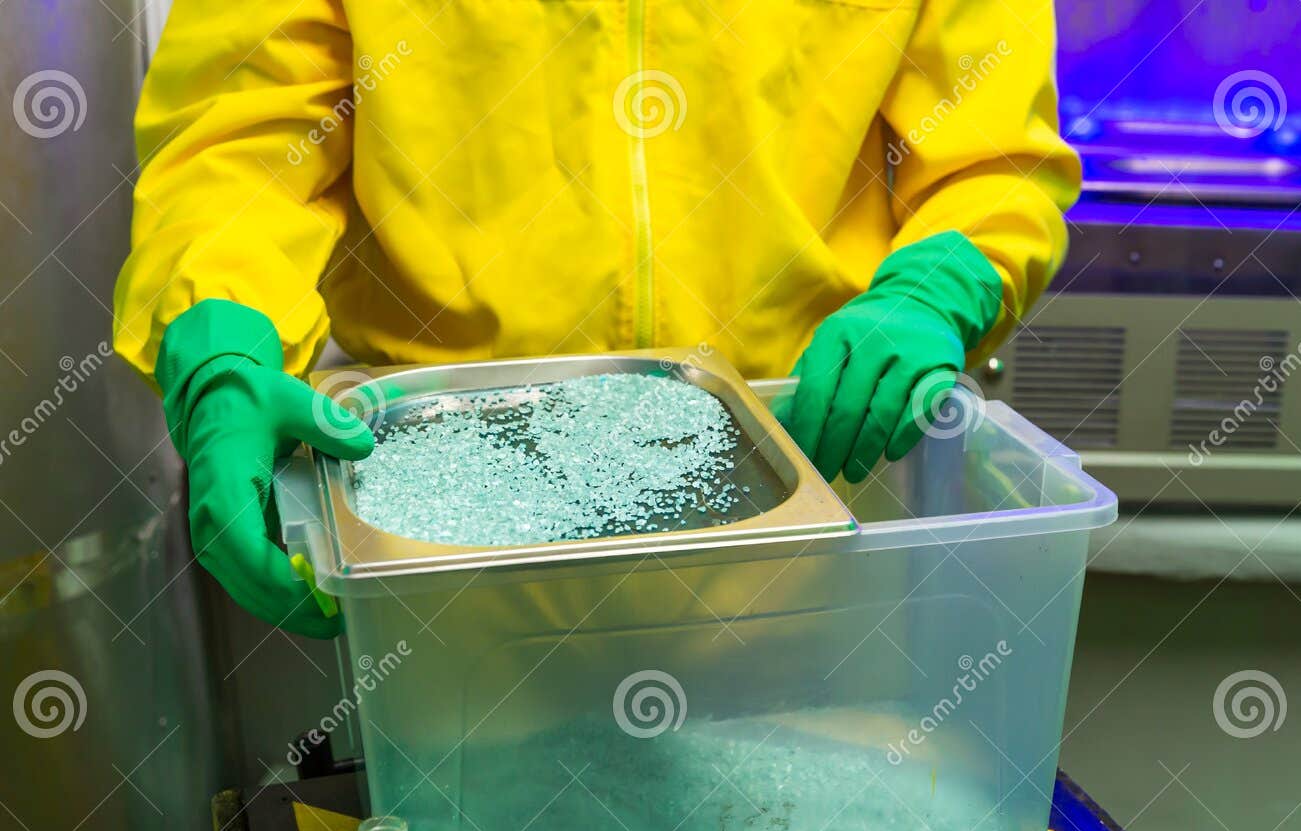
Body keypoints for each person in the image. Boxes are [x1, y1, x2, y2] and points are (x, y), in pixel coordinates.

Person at [113, 0, 1079, 638]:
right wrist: (224, 327)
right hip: (450, 555)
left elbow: (991, 158)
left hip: (809, 514)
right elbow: (244, 144)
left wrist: (935, 285)